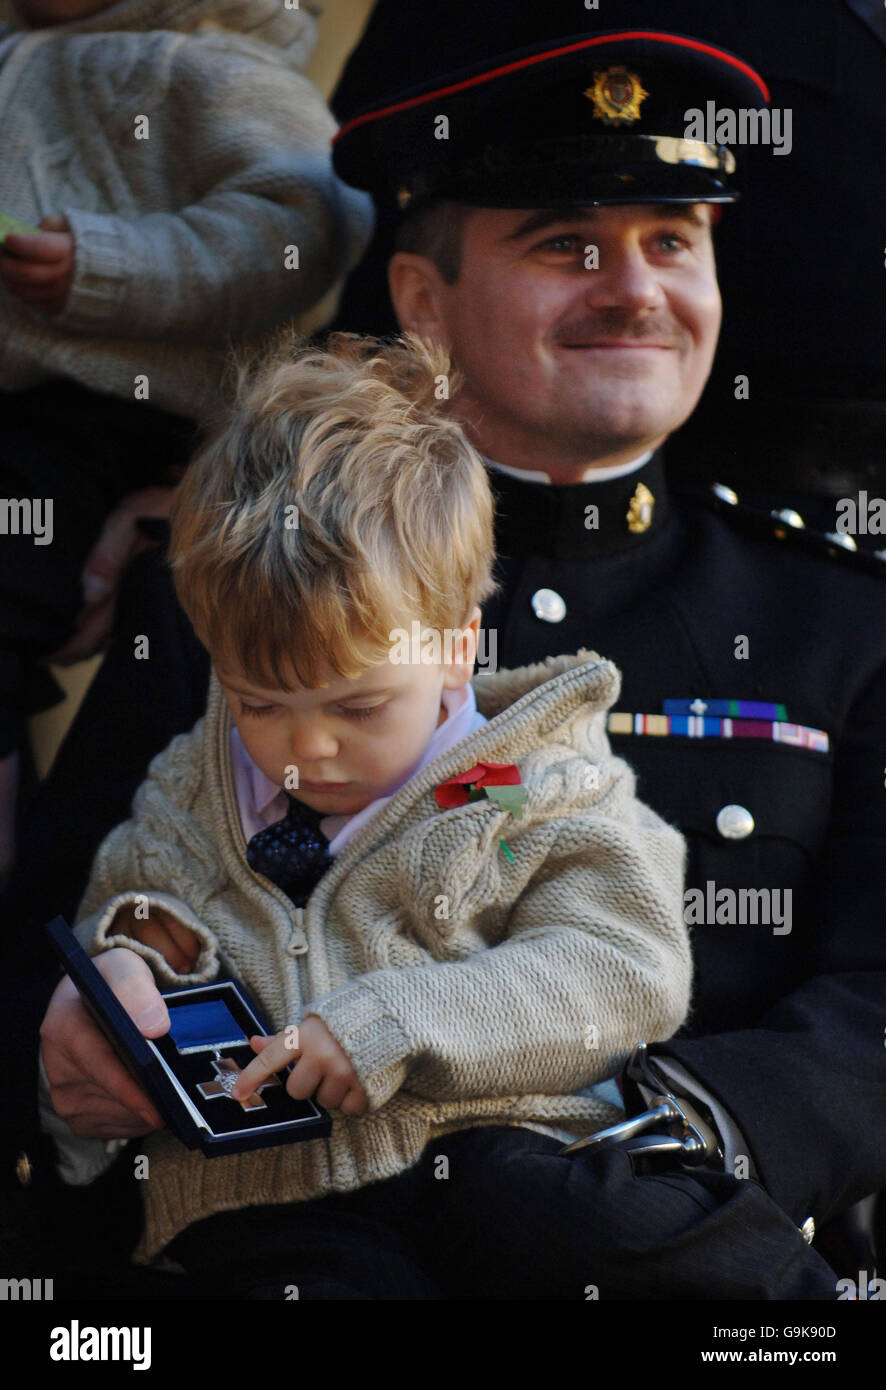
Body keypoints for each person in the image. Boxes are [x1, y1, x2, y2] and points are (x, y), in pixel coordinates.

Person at [28, 28, 886, 1298]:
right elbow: (66, 908)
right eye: (564, 244)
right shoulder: (255, 578)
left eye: (673, 240)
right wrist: (78, 1036)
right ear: (423, 303)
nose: (634, 288)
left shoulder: (839, 617)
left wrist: (678, 1130)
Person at [43, 331, 691, 1292]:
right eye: (259, 702)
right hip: (263, 1198)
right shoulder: (194, 787)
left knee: (644, 1246)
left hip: (514, 1156)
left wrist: (396, 1021)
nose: (306, 749)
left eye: (356, 706)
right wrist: (130, 965)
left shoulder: (535, 782)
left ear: (456, 647)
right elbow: (151, 901)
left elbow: (626, 966)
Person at [0, 0, 373, 878]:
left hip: (114, 410)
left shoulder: (211, 65)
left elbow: (305, 222)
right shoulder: (18, 55)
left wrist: (110, 266)